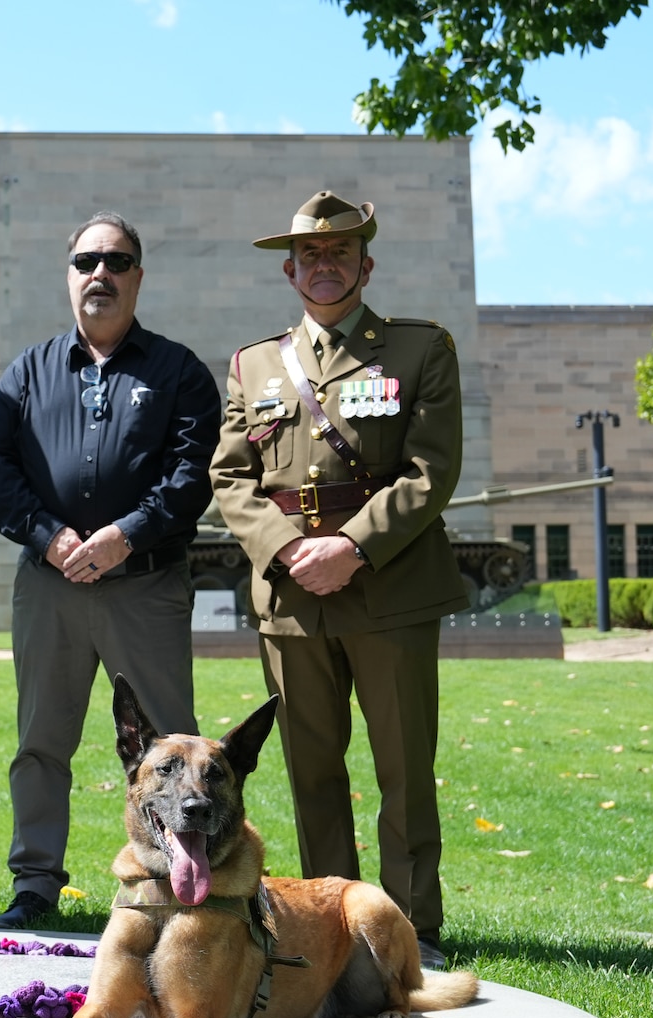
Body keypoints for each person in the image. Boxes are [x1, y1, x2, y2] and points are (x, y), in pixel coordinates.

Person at [209, 191, 468, 969]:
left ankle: (413, 926)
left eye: (341, 253)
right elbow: (230, 477)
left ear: (366, 264)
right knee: (312, 770)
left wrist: (352, 546)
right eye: (312, 255)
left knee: (402, 767)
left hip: (387, 587)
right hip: (292, 599)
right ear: (291, 270)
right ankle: (334, 927)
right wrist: (289, 551)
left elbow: (433, 470)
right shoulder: (253, 364)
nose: (326, 266)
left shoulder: (420, 349)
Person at [0, 211, 222, 930]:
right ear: (69, 275)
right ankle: (34, 886)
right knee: (40, 741)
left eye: (116, 262)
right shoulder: (28, 372)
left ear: (138, 277)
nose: (100, 275)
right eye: (86, 262)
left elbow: (190, 475)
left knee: (175, 752)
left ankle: (179, 884)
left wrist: (123, 535)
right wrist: (50, 538)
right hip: (50, 588)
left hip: (143, 585)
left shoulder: (176, 372)